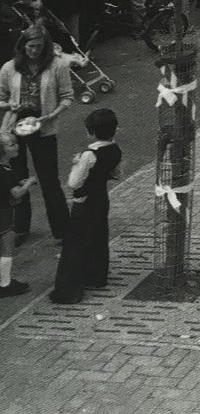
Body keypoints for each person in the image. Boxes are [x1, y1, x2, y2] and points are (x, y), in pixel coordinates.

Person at [0, 25, 74, 244]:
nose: (35, 51)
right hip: (15, 130)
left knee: (49, 179)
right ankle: (21, 227)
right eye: (31, 46)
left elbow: (67, 96)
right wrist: (9, 104)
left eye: (39, 47)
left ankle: (62, 230)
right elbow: (0, 97)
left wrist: (51, 115)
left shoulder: (58, 66)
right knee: (17, 176)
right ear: (23, 45)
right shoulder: (9, 68)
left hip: (43, 128)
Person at [49, 108, 122, 304]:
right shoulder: (115, 149)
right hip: (101, 198)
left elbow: (74, 183)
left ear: (91, 132)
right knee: (98, 235)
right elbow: (116, 173)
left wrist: (77, 163)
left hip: (84, 201)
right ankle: (97, 276)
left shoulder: (88, 155)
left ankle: (68, 290)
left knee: (76, 242)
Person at [0, 128, 35, 297]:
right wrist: (29, 182)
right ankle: (4, 284)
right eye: (11, 144)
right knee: (5, 248)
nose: (16, 146)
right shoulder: (5, 171)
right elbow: (16, 193)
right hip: (2, 214)